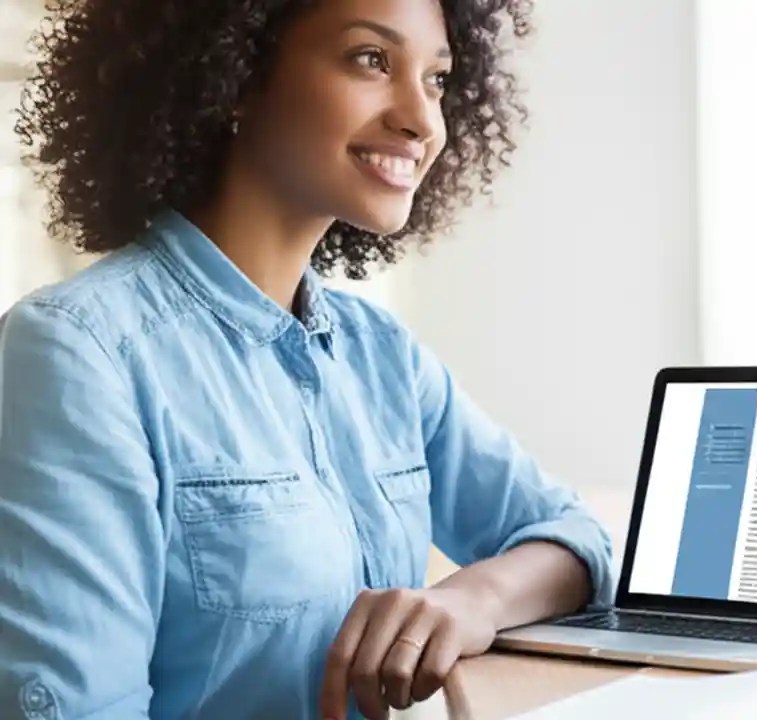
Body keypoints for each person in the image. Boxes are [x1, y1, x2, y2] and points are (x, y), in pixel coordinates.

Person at [0, 0, 614, 718]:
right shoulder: (79, 353)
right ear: (236, 74)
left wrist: (470, 600)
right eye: (371, 60)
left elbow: (576, 540)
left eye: (439, 79)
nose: (422, 119)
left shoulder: (382, 356)